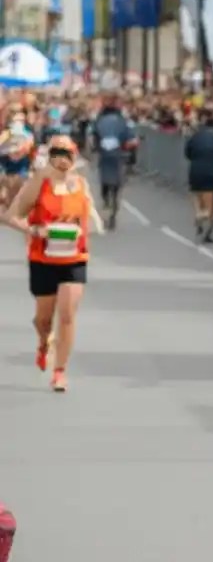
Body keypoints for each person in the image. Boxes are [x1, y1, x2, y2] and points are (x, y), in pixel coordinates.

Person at [4, 135, 102, 392]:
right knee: (43, 319)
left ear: (74, 155)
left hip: (75, 258)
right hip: (43, 258)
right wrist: (37, 231)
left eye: (67, 153)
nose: (62, 158)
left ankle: (60, 371)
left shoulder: (81, 184)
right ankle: (43, 341)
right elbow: (11, 216)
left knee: (68, 314)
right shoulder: (38, 182)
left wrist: (87, 226)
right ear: (49, 156)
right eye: (57, 152)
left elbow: (89, 217)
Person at [91, 93, 137, 230]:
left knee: (105, 182)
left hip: (104, 155)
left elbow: (94, 136)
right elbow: (131, 139)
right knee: (116, 184)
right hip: (118, 155)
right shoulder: (122, 121)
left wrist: (96, 149)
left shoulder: (99, 120)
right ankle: (113, 212)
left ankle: (106, 203)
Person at [185, 112, 213, 243]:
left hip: (195, 170)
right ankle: (205, 223)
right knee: (212, 204)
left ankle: (200, 218)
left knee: (197, 196)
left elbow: (187, 153)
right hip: (212, 172)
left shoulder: (194, 137)